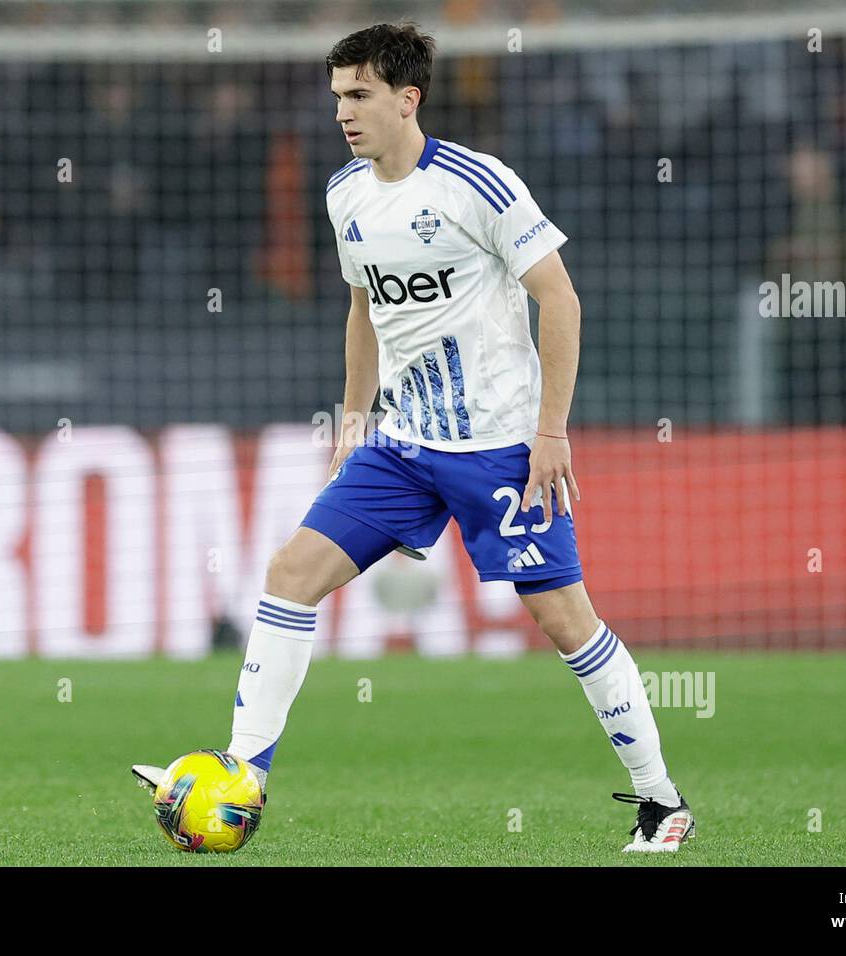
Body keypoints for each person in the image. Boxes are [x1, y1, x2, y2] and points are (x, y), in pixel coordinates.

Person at [134, 21, 694, 854]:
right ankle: (244, 770)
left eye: (358, 96)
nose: (343, 114)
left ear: (408, 98)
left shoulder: (480, 184)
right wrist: (354, 418)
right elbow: (363, 309)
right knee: (291, 573)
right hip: (404, 443)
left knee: (563, 621)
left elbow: (561, 300)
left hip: (502, 447)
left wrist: (552, 432)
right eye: (336, 98)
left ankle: (660, 800)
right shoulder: (345, 195)